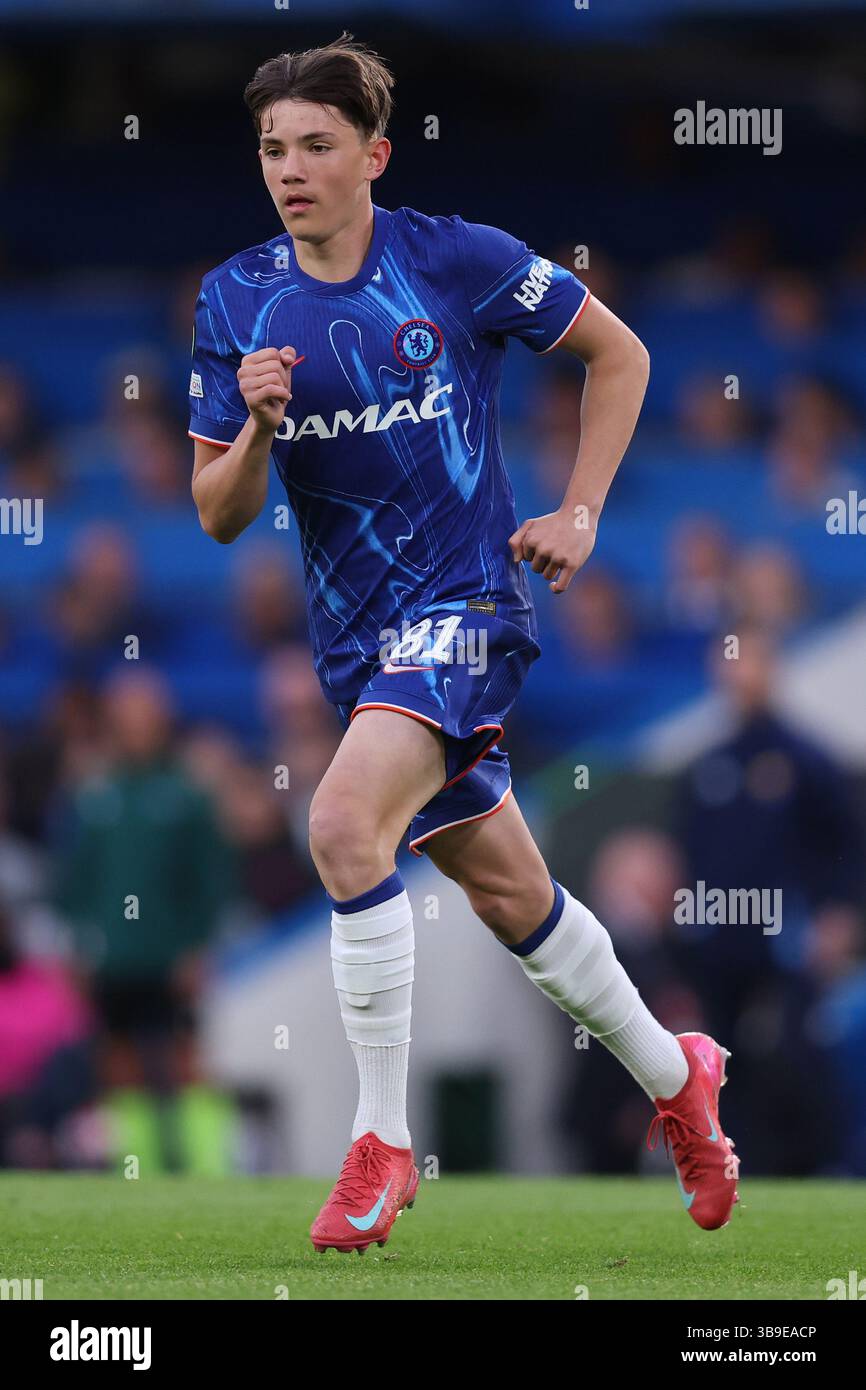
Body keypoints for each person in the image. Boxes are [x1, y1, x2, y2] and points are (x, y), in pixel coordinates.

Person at [187, 32, 739, 1251]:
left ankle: (381, 1141)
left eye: (317, 145)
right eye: (273, 148)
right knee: (511, 894)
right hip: (359, 650)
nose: (290, 168)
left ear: (373, 154)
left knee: (338, 826)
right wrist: (257, 429)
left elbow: (619, 352)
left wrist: (579, 510)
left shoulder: (456, 258)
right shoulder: (236, 302)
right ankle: (676, 1076)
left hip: (470, 611)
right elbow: (217, 518)